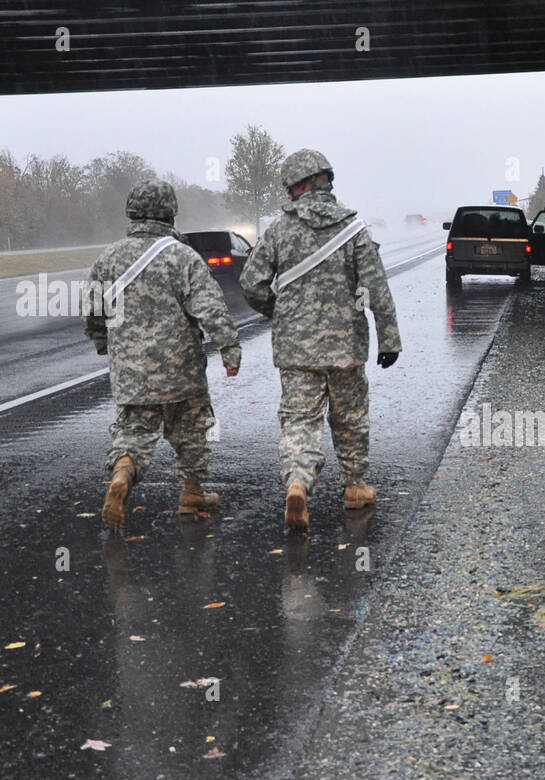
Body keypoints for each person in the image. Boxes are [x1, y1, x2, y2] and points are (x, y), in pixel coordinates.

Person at [239, 148, 401, 530]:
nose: (290, 194)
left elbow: (251, 283)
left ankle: (298, 483)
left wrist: (280, 313)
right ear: (326, 179)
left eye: (291, 187)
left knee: (299, 421)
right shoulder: (354, 228)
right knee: (349, 420)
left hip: (296, 351)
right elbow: (376, 288)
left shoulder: (279, 230)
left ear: (303, 184)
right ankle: (355, 487)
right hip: (346, 348)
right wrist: (389, 340)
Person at [83, 178, 242, 530]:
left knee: (133, 431)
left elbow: (93, 309)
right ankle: (192, 492)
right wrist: (229, 349)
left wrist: (101, 341)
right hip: (181, 369)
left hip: (131, 371)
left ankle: (124, 469)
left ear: (132, 211)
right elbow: (211, 308)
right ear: (170, 213)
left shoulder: (108, 258)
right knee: (191, 429)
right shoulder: (183, 257)